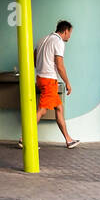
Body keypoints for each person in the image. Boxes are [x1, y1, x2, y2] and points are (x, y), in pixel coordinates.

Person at [19, 19, 81, 149]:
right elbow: (59, 65)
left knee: (59, 108)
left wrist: (42, 68)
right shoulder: (58, 42)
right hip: (49, 81)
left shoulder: (43, 39)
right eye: (70, 33)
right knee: (41, 111)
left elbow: (34, 58)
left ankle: (68, 140)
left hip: (41, 78)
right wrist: (67, 83)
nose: (70, 35)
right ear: (66, 31)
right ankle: (23, 138)